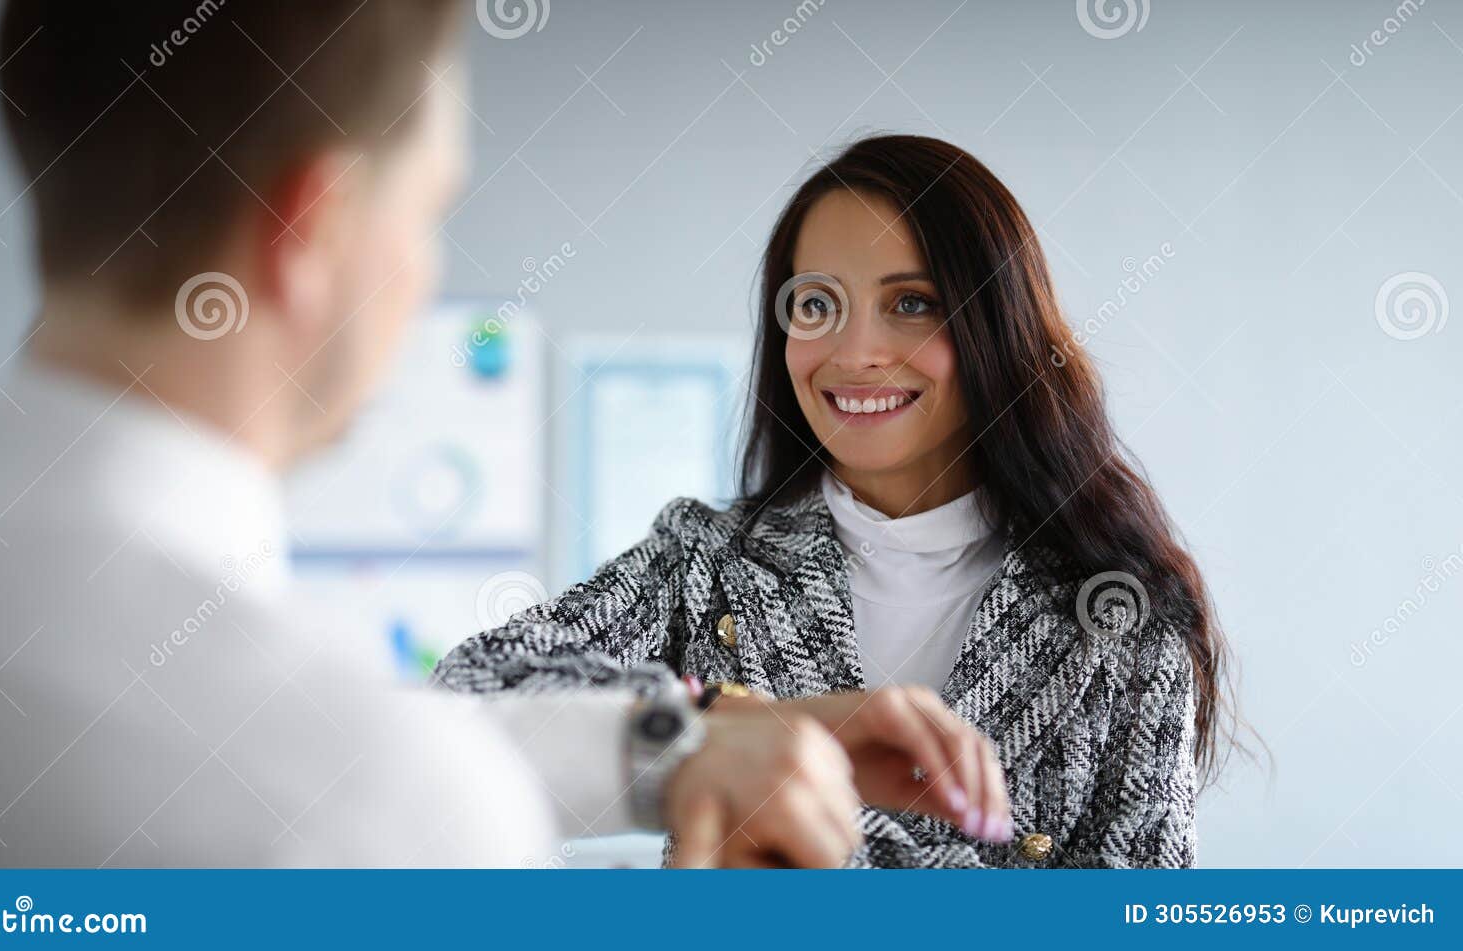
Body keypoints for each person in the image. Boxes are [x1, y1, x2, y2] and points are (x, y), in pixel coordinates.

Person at [0, 0, 945, 868]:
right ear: (311, 230)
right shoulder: (387, 811)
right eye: (426, 212)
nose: (425, 272)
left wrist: (666, 744)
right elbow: (362, 773)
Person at [438, 134, 1238, 868]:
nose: (854, 353)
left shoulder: (1119, 617)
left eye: (912, 302)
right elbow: (462, 701)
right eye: (816, 304)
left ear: (999, 327)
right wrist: (737, 727)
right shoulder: (705, 565)